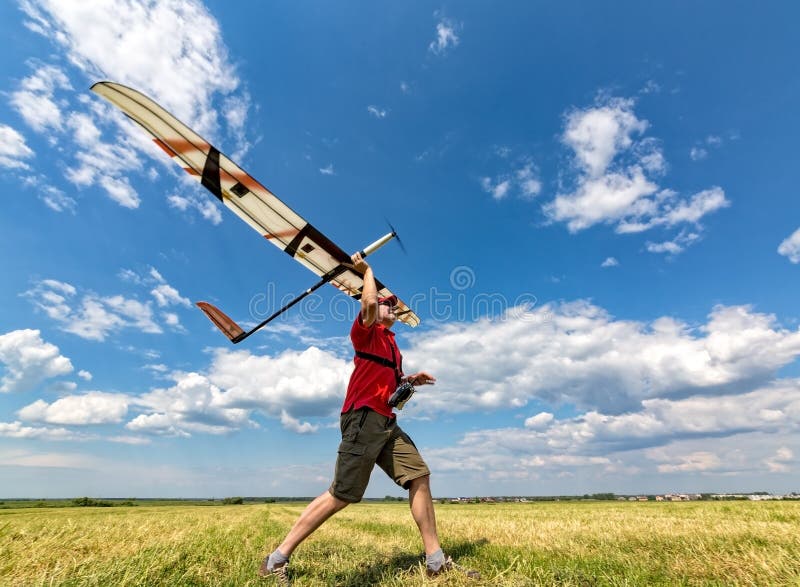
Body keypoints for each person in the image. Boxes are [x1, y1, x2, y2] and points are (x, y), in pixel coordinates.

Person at [258, 252, 472, 583]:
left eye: (393, 305)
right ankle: (276, 559)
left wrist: (409, 380)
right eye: (388, 302)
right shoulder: (366, 331)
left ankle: (435, 561)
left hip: (387, 421)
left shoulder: (392, 345)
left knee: (419, 476)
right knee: (342, 494)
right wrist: (366, 271)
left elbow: (388, 381)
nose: (391, 307)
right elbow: (369, 305)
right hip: (363, 419)